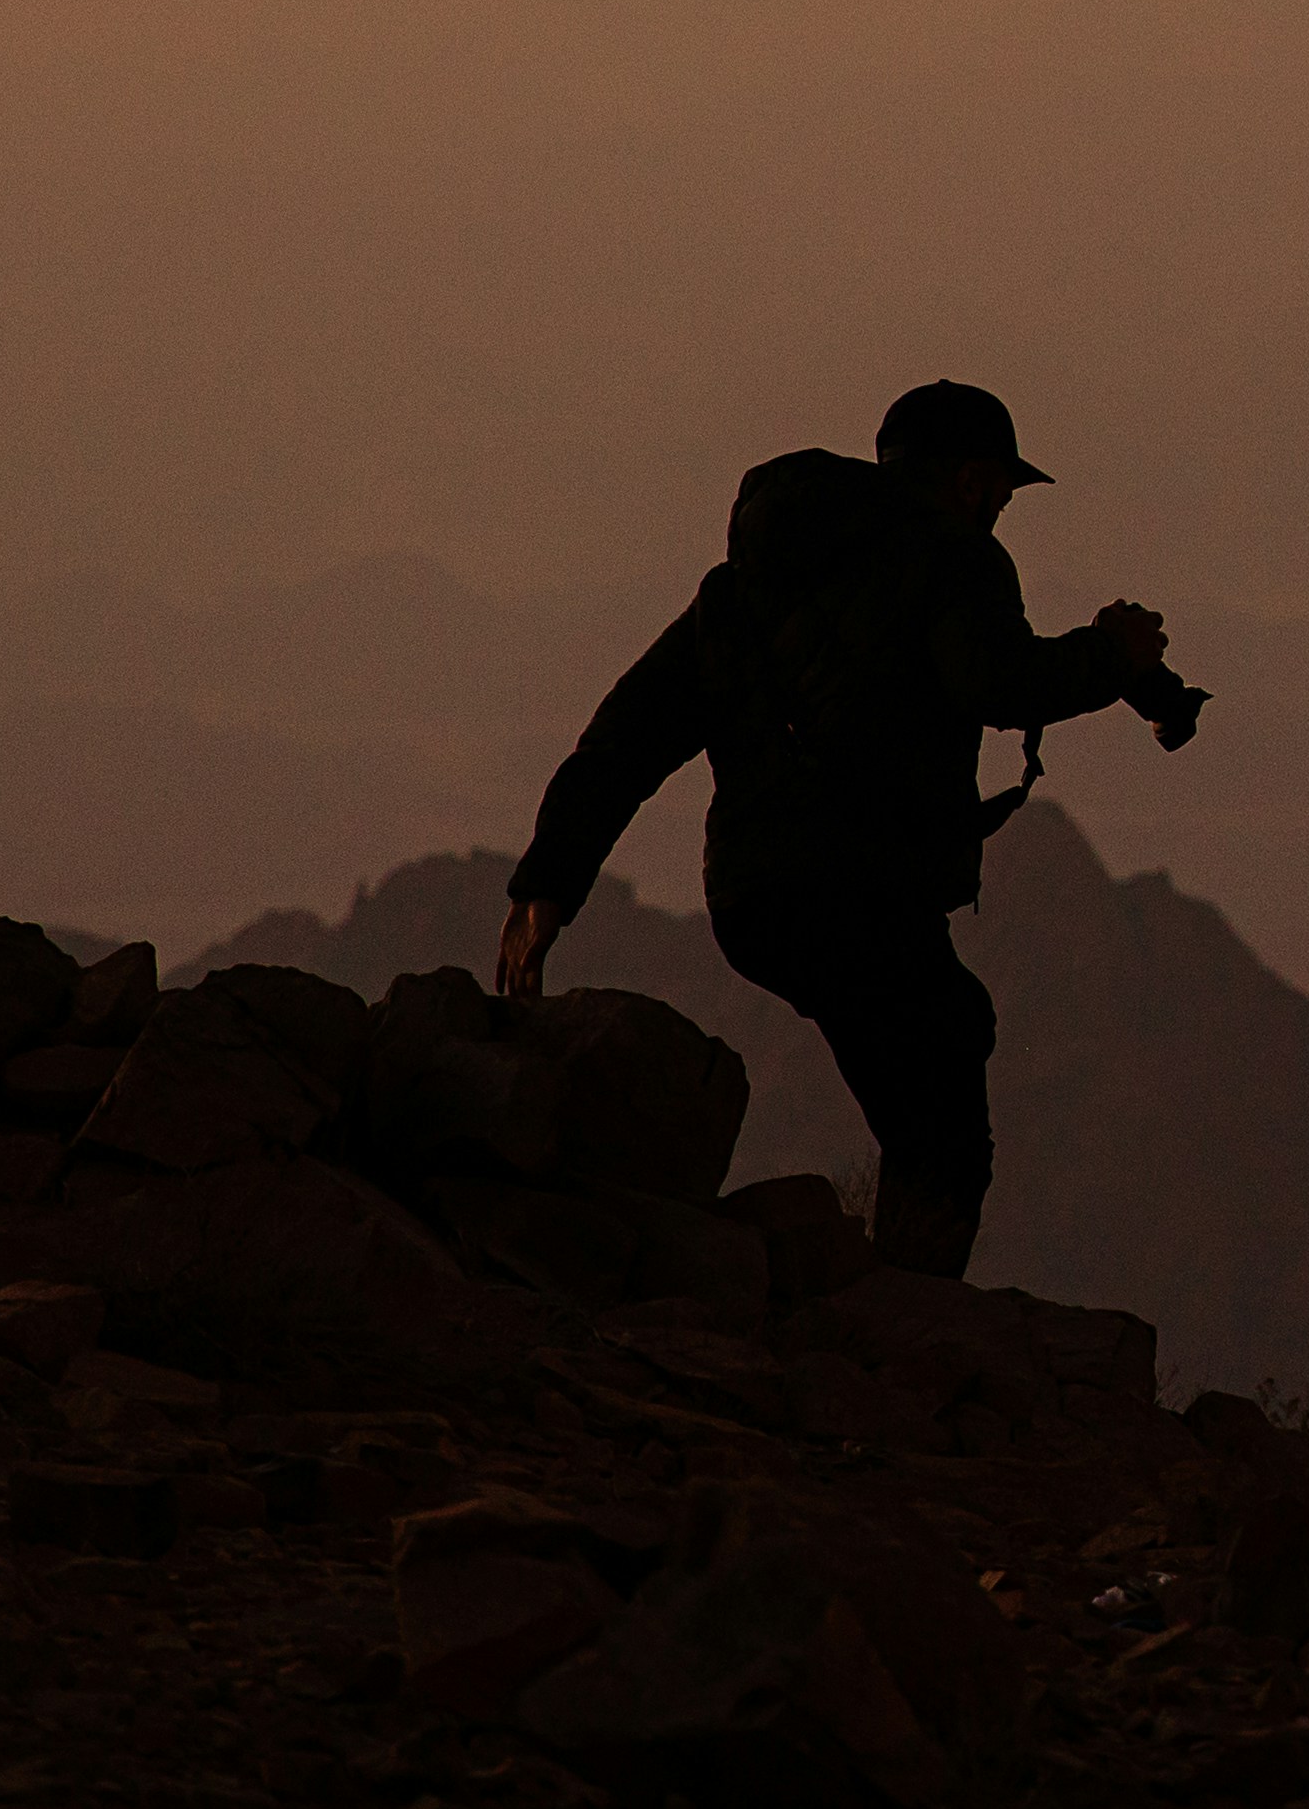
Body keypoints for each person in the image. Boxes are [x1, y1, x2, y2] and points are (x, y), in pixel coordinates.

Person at [492, 379, 1187, 1282]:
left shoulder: (742, 588)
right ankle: (905, 1316)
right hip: (865, 889)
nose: (1004, 515)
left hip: (753, 897)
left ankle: (882, 1296)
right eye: (1005, 496)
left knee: (933, 1050)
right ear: (972, 482)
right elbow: (1002, 683)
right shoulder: (956, 560)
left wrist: (546, 885)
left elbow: (629, 736)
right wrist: (1112, 655)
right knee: (942, 1082)